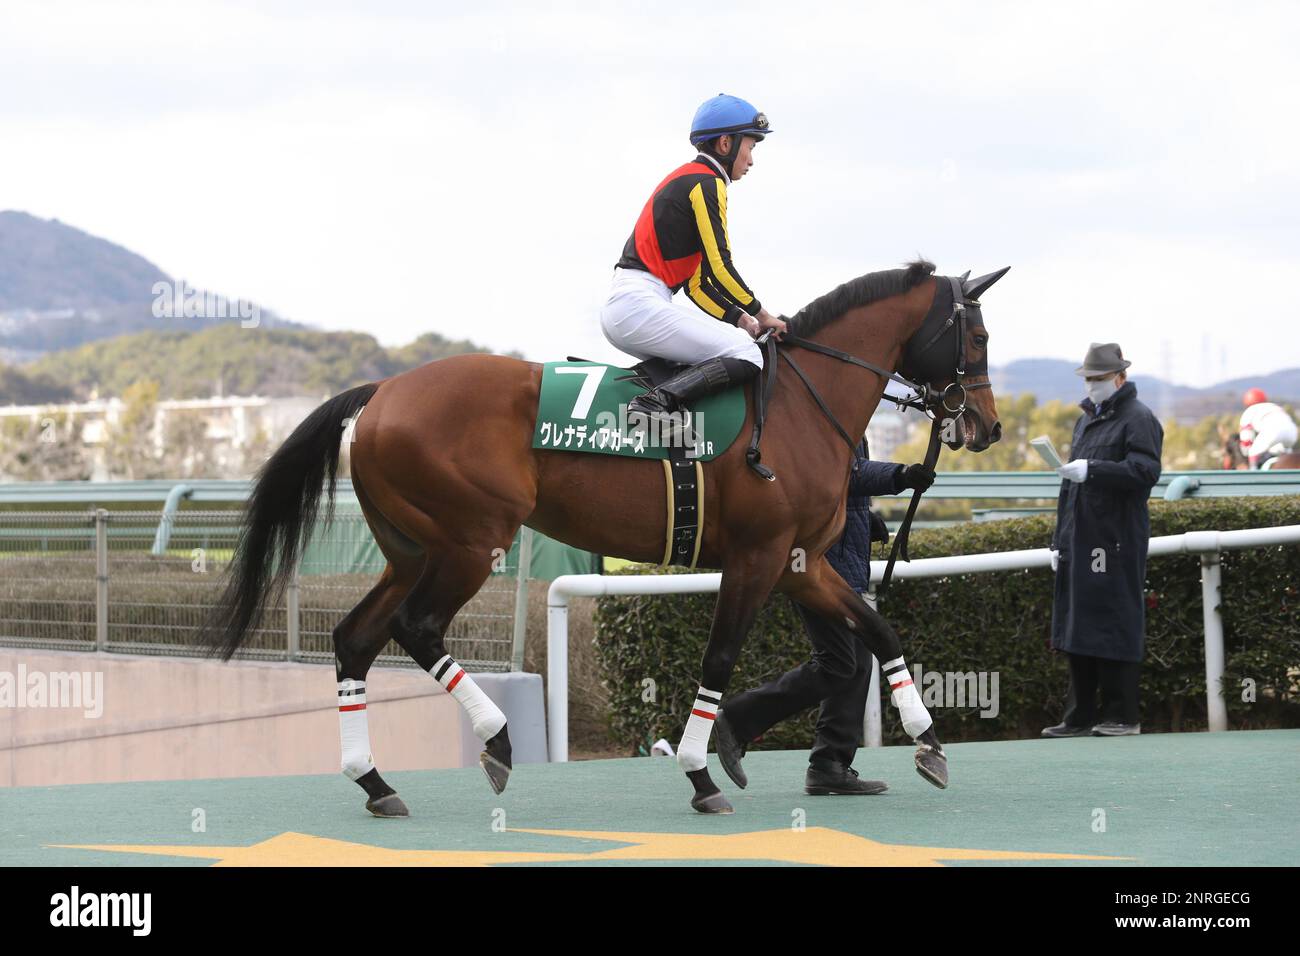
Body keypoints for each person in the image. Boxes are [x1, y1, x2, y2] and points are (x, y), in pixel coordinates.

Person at [712, 440, 936, 794]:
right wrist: (900, 475)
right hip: (815, 568)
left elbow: (838, 488)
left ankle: (830, 764)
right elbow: (841, 472)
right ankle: (739, 719)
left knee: (857, 663)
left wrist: (865, 519)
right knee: (838, 662)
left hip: (837, 562)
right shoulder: (822, 408)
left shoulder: (845, 412)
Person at [601, 94, 787, 422]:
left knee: (720, 348)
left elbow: (698, 283)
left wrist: (740, 319)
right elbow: (721, 266)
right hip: (639, 304)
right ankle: (651, 406)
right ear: (726, 143)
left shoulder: (692, 178)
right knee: (745, 352)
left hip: (633, 304)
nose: (752, 160)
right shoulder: (707, 183)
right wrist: (764, 314)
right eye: (751, 147)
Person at [1043, 343, 1163, 738]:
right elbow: (1070, 490)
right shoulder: (1086, 421)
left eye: (1098, 379)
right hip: (1081, 540)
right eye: (1089, 379)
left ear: (1119, 377)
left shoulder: (1139, 418)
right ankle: (1079, 716)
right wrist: (1059, 541)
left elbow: (1144, 471)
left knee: (1115, 622)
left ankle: (1122, 715)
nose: (1092, 386)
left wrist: (1093, 470)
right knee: (1078, 625)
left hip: (1116, 540)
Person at [1238, 388, 1297, 470]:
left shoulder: (1249, 411)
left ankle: (1253, 477)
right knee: (1280, 453)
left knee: (1252, 452)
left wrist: (1245, 451)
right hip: (1292, 433)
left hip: (1273, 432)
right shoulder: (1274, 406)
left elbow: (1246, 439)